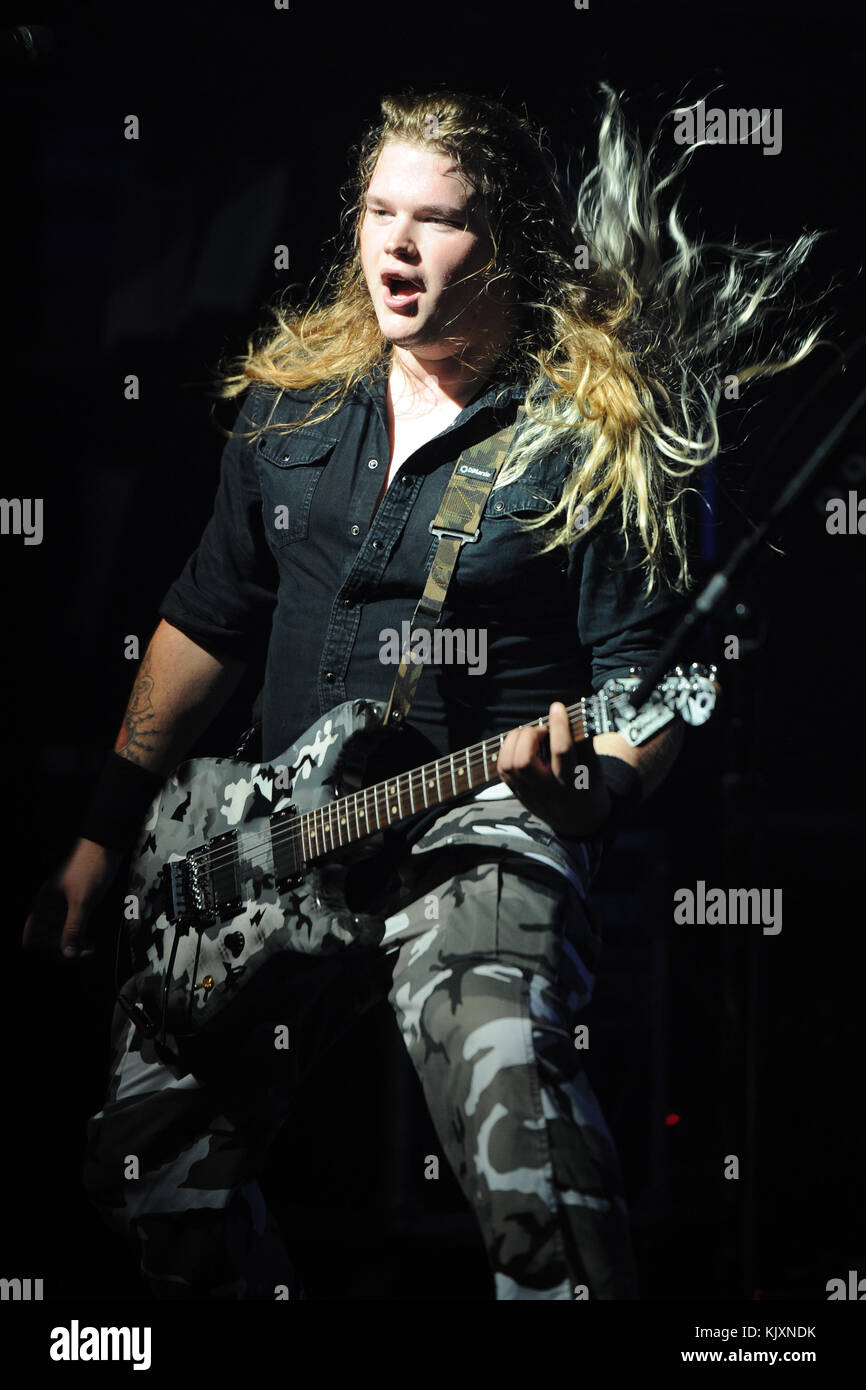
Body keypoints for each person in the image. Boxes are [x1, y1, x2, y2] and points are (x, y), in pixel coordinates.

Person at [23, 86, 823, 1300]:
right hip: (271, 835)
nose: (394, 245)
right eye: (377, 212)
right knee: (152, 1181)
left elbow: (646, 687)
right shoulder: (291, 404)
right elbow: (203, 622)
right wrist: (100, 828)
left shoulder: (582, 433)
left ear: (504, 244)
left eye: (436, 220)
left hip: (482, 817)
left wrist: (594, 789)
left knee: (522, 1126)